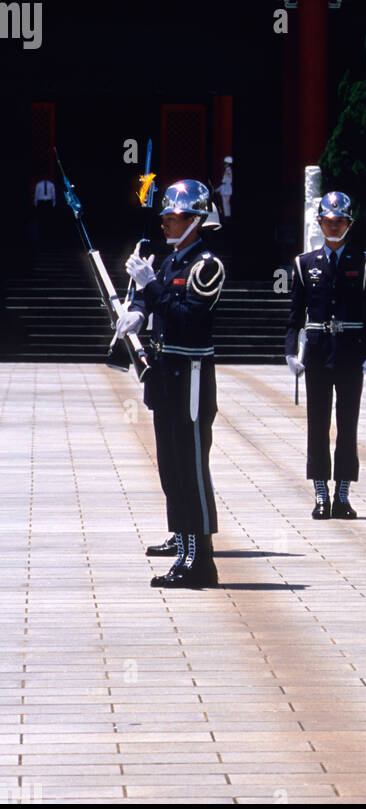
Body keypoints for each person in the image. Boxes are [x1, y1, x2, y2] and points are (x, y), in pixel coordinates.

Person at [115, 181, 225, 589]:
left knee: (191, 468)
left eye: (174, 216)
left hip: (192, 378)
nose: (165, 222)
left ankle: (200, 561)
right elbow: (153, 301)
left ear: (195, 220)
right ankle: (183, 547)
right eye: (164, 216)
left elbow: (187, 316)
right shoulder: (170, 261)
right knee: (171, 467)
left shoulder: (207, 265)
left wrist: (150, 288)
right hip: (166, 374)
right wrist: (137, 312)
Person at [285, 191, 366, 519]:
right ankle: (320, 493)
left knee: (347, 424)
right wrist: (290, 351)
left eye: (340, 222)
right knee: (317, 424)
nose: (334, 227)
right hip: (316, 353)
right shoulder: (305, 263)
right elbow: (295, 314)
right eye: (328, 221)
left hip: (351, 353)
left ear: (349, 224)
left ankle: (343, 493)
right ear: (320, 222)